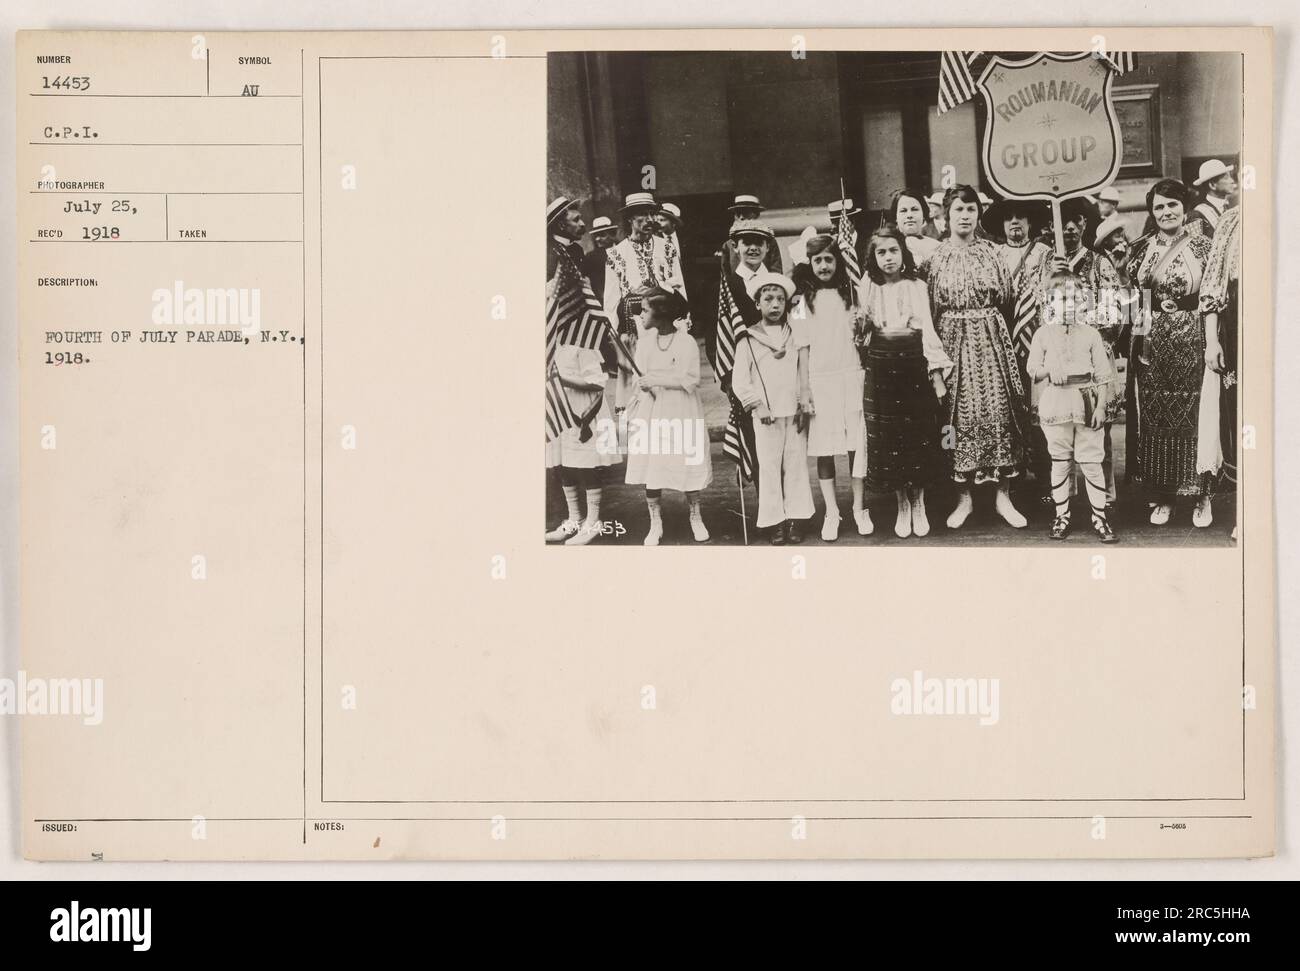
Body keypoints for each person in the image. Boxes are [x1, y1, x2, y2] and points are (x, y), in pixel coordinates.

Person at [926, 185, 1029, 529]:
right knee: (954, 419)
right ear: (946, 215)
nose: (965, 216)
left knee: (1000, 411)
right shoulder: (936, 258)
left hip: (991, 341)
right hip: (952, 343)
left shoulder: (994, 253)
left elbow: (1009, 299)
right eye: (958, 210)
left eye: (971, 209)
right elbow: (929, 308)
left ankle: (1004, 493)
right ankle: (963, 497)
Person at [1128, 178, 1217, 526]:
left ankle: (1201, 495)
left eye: (1172, 205)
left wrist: (1213, 340)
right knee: (1156, 414)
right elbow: (1132, 297)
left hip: (1191, 338)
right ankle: (1163, 495)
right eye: (1159, 207)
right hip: (1152, 341)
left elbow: (1212, 298)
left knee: (1195, 413)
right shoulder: (1141, 249)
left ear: (1184, 208)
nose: (1166, 212)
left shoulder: (1203, 247)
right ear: (1152, 212)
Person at [857, 223, 953, 538]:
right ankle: (902, 503)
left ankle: (920, 501)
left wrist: (936, 375)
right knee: (890, 439)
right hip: (882, 370)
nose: (888, 258)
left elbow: (926, 329)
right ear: (873, 257)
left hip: (913, 368)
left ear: (903, 253)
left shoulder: (916, 286)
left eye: (893, 251)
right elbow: (862, 334)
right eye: (881, 252)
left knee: (919, 436)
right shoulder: (867, 286)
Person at [1032, 197, 1122, 511]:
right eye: (1063, 222)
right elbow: (1037, 313)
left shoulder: (1101, 262)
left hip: (1091, 355)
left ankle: (1103, 495)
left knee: (1098, 426)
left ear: (1085, 224)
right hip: (1057, 360)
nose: (1069, 229)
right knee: (1061, 428)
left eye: (1076, 221)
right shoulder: (1045, 265)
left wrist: (1080, 326)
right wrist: (1052, 281)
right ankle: (1064, 496)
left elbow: (1114, 314)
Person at [1026, 270, 1120, 543]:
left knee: (1091, 462)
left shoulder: (1091, 334)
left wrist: (1102, 406)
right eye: (1060, 298)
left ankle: (1099, 517)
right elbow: (1032, 368)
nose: (1067, 304)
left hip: (1087, 402)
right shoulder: (1043, 334)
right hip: (1056, 403)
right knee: (1060, 462)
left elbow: (1103, 374)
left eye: (1073, 298)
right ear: (1049, 301)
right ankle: (1062, 514)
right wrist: (1047, 370)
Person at [790, 233, 870, 539]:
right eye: (818, 260)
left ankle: (859, 508)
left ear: (838, 261)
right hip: (820, 380)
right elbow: (801, 346)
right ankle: (832, 512)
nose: (824, 265)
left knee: (855, 447)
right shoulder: (799, 302)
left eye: (829, 259)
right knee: (825, 449)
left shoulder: (852, 293)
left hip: (852, 374)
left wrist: (863, 329)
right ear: (809, 264)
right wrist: (805, 389)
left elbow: (862, 335)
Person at [731, 270, 815, 544]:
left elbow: (804, 369)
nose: (775, 304)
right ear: (757, 303)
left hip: (794, 411)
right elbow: (740, 380)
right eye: (768, 299)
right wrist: (757, 405)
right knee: (768, 467)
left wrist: (805, 401)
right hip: (765, 414)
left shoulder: (795, 334)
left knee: (795, 464)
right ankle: (774, 521)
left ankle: (795, 519)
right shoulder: (748, 338)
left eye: (780, 299)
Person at [624, 286, 712, 545]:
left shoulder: (685, 341)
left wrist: (656, 380)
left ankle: (695, 516)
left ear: (661, 313)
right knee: (653, 465)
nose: (641, 315)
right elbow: (638, 379)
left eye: (645, 310)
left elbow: (691, 379)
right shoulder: (645, 342)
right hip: (652, 410)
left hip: (680, 408)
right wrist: (642, 386)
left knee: (686, 460)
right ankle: (655, 522)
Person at [602, 192, 687, 413]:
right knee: (634, 393)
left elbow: (680, 289)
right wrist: (615, 341)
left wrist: (682, 323)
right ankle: (632, 442)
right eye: (643, 215)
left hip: (666, 329)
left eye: (652, 214)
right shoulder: (615, 254)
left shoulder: (666, 248)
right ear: (630, 219)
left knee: (667, 389)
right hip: (634, 332)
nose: (649, 220)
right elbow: (610, 302)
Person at [1094, 212, 1148, 489]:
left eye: (1122, 235)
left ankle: (1119, 485)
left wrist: (1124, 273)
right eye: (1115, 236)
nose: (1121, 240)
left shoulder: (1131, 262)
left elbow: (1135, 311)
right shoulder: (1097, 265)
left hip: (1129, 340)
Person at [1200, 202, 1241, 536]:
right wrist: (1212, 341)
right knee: (1241, 415)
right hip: (1240, 324)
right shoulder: (1231, 220)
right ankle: (1246, 511)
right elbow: (1214, 286)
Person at [1186, 159, 1238, 238]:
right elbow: (1194, 246)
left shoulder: (1229, 207)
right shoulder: (1196, 215)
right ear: (1212, 185)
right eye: (1226, 178)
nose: (1232, 181)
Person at [891, 188, 940, 266]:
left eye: (914, 209)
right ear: (896, 217)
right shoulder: (887, 247)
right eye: (903, 210)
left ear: (923, 215)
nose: (909, 215)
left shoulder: (938, 247)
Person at [583, 215, 619, 301]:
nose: (597, 239)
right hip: (605, 299)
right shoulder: (591, 258)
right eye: (595, 236)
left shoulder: (624, 249)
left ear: (612, 234)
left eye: (602, 235)